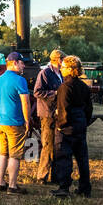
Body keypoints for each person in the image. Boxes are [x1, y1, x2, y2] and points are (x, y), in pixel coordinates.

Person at [51, 56, 94, 198]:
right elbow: (89, 108)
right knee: (82, 158)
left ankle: (64, 187)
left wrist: (60, 125)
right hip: (80, 124)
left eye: (63, 67)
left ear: (70, 69)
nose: (61, 69)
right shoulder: (84, 87)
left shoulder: (65, 87)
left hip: (66, 128)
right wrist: (84, 122)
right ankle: (85, 187)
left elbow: (63, 109)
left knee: (64, 157)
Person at [0, 51, 33, 194]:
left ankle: (0, 183)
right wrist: (27, 120)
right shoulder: (19, 80)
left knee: (2, 152)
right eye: (22, 63)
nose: (24, 67)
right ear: (15, 63)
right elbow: (26, 102)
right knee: (15, 155)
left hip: (0, 122)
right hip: (14, 122)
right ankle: (12, 186)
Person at [33, 49, 64, 183]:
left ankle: (56, 176)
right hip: (47, 114)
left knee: (58, 145)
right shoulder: (44, 73)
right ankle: (42, 176)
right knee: (47, 145)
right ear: (58, 59)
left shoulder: (61, 74)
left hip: (59, 114)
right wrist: (55, 94)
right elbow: (37, 92)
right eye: (63, 60)